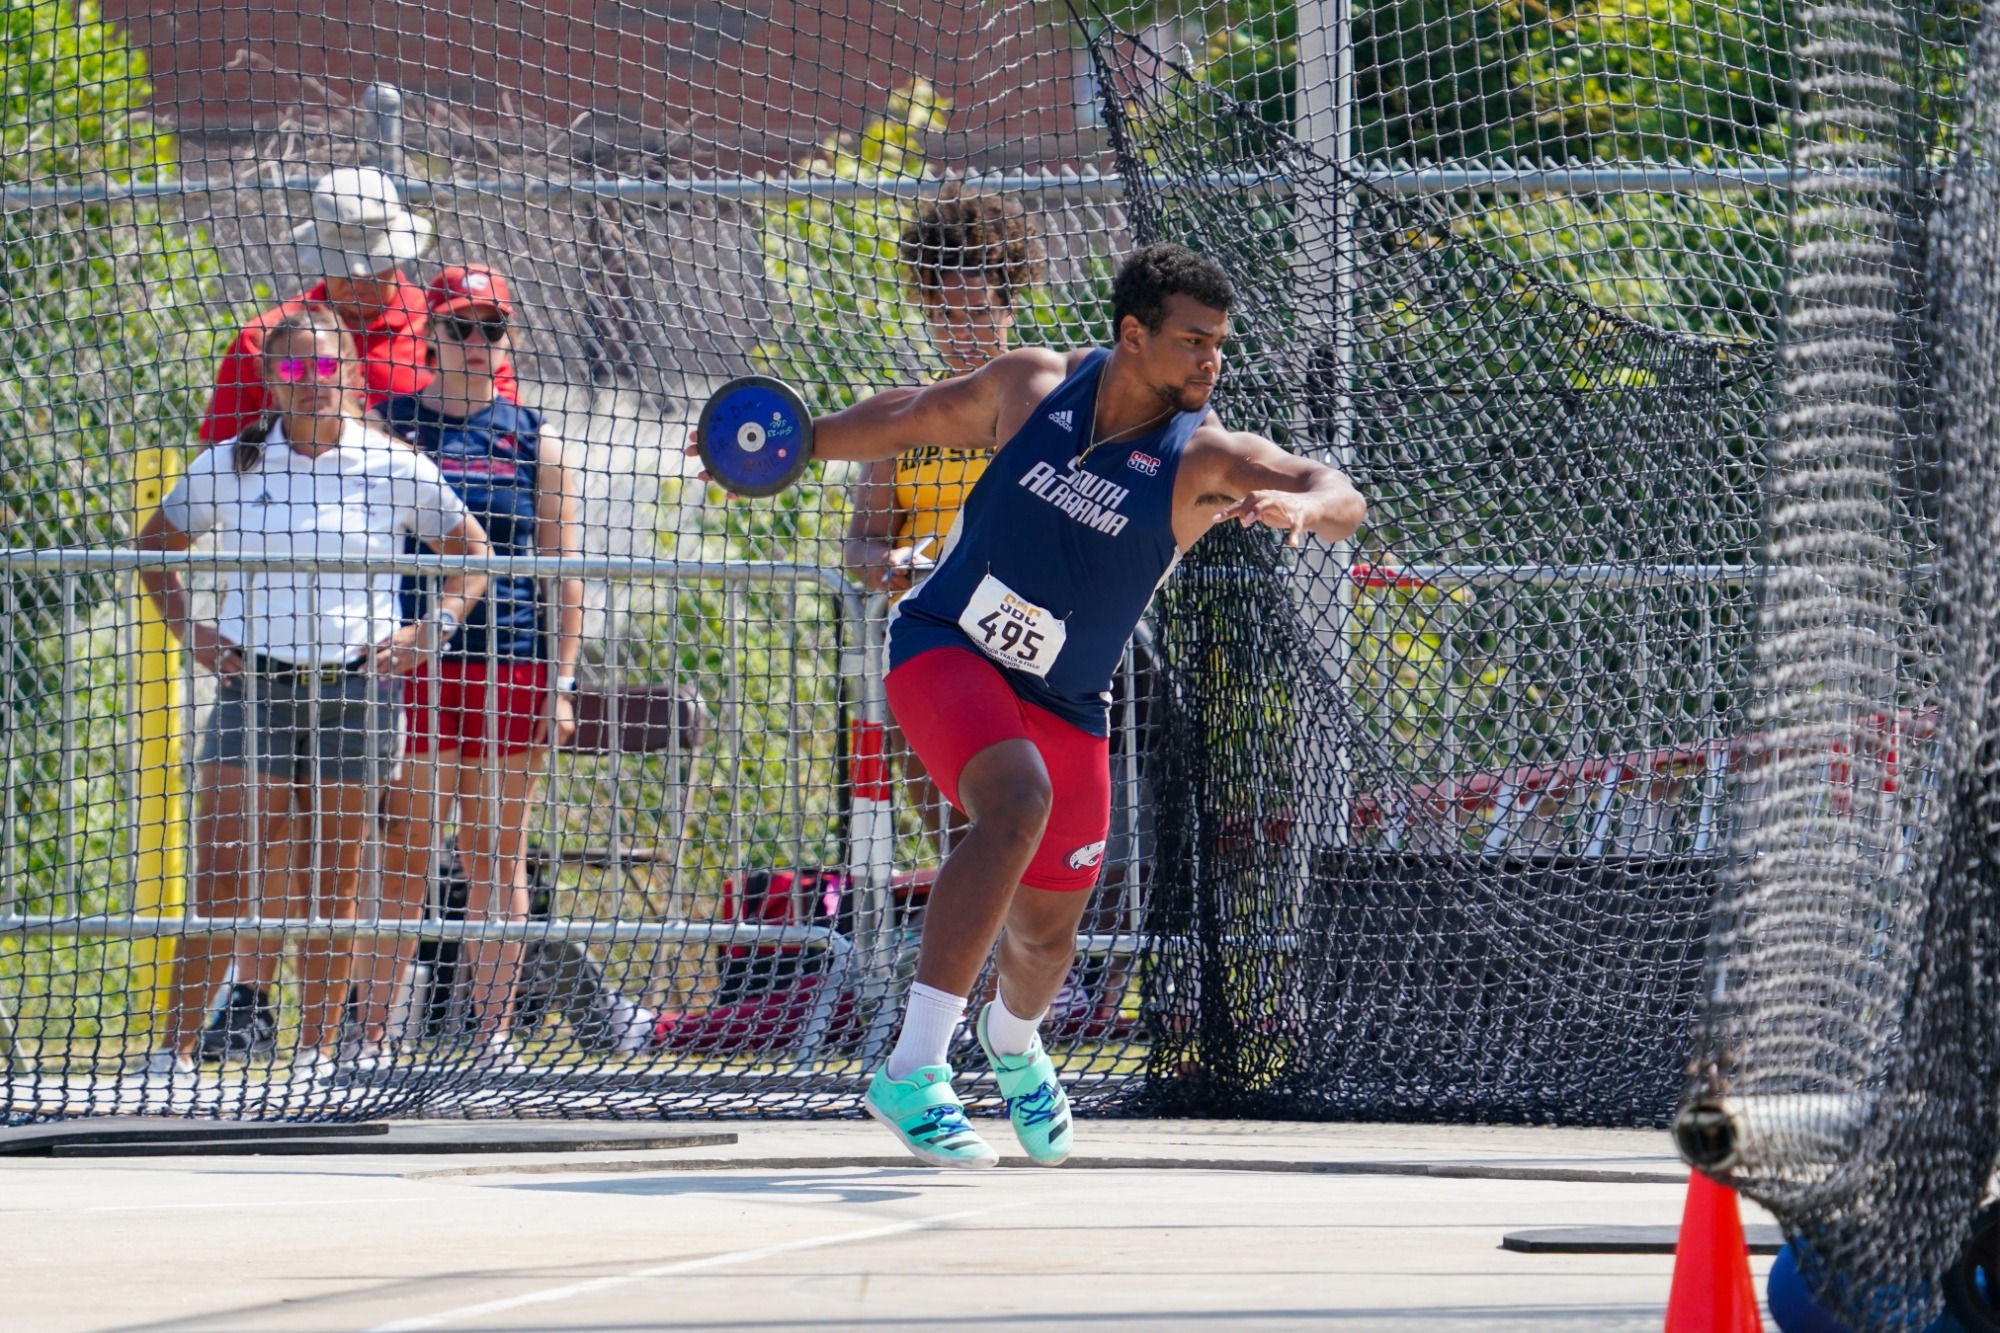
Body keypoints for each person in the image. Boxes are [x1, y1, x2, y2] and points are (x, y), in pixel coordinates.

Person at [718, 243, 1366, 1167]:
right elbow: (909, 417)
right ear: (1132, 335)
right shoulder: (1033, 387)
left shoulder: (1205, 455)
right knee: (1015, 806)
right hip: (946, 643)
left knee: (1048, 930)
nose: (1209, 362)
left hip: (1068, 698)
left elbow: (1331, 487)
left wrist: (1310, 510)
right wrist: (789, 443)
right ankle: (911, 1069)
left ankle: (1015, 1045)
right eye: (1191, 341)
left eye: (1219, 344)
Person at [194, 167, 514, 1060]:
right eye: (356, 260)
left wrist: (444, 611)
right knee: (284, 817)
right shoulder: (272, 339)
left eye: (385, 258)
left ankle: (362, 1032)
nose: (377, 277)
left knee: (396, 832)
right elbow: (231, 468)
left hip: (435, 617)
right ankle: (253, 998)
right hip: (311, 620)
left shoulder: (446, 320)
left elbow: (495, 431)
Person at [129, 303, 491, 1081]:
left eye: (325, 367)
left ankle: (318, 1055)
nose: (310, 383)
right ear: (269, 379)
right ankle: (172, 1056)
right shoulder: (233, 462)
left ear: (349, 374)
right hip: (255, 683)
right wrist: (191, 630)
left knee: (334, 880)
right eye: (292, 369)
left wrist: (431, 629)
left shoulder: (393, 464)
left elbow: (472, 554)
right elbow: (155, 546)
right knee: (223, 869)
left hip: (356, 690)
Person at [356, 265, 587, 1070]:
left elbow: (564, 568)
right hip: (414, 665)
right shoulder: (387, 428)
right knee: (405, 849)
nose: (477, 342)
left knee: (496, 852)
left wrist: (562, 680)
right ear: (430, 336)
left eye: (492, 328)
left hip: (512, 662)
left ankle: (490, 1041)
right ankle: (371, 1038)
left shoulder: (531, 437)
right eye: (462, 325)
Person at [843, 192, 1046, 852]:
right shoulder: (906, 420)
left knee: (1046, 844)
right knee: (968, 845)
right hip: (932, 646)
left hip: (1035, 652)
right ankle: (983, 953)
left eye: (979, 313)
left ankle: (1069, 956)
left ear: (1010, 307)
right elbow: (862, 539)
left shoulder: (1052, 412)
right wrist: (881, 562)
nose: (964, 332)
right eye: (946, 315)